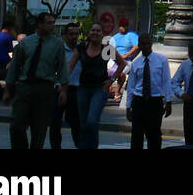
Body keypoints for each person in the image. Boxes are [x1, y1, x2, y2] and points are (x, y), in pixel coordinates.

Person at [4, 13, 70, 150]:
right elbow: (15, 66)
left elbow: (62, 68)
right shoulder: (26, 42)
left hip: (44, 88)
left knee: (39, 129)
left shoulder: (57, 44)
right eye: (49, 23)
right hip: (24, 86)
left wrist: (63, 90)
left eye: (53, 23)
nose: (52, 26)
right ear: (39, 24)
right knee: (16, 125)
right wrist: (8, 90)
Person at [74, 22, 125, 150]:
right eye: (93, 30)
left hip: (99, 88)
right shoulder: (82, 47)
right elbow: (70, 65)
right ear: (89, 33)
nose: (95, 33)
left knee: (92, 121)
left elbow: (122, 63)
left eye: (98, 31)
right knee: (83, 123)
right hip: (83, 88)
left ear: (103, 34)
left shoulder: (106, 49)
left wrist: (111, 80)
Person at [123, 31, 172, 150]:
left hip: (155, 100)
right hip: (139, 100)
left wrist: (168, 101)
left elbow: (166, 81)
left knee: (154, 134)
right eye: (142, 44)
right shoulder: (136, 63)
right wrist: (128, 106)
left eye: (147, 44)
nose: (145, 46)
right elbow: (131, 86)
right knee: (137, 135)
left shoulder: (161, 60)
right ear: (139, 46)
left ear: (151, 44)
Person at [48, 22, 83, 150]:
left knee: (76, 124)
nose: (74, 37)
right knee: (55, 123)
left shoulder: (83, 50)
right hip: (60, 88)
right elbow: (52, 69)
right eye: (71, 34)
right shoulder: (59, 50)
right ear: (65, 35)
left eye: (76, 34)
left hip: (76, 90)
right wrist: (58, 85)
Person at [110, 18, 140, 102]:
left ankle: (117, 92)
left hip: (127, 60)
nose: (124, 28)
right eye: (122, 26)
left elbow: (137, 46)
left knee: (121, 74)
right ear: (119, 27)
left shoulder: (132, 35)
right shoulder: (115, 37)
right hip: (115, 60)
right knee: (108, 73)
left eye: (126, 26)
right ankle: (108, 89)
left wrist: (126, 55)